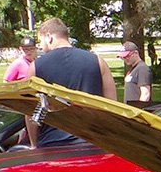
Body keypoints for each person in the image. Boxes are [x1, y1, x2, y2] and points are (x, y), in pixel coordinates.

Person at [26, 17, 117, 147]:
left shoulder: (35, 67)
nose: (40, 46)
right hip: (93, 141)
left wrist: (34, 144)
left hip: (52, 143)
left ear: (49, 37)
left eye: (40, 41)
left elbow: (29, 110)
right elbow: (112, 106)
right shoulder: (98, 62)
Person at [119, 40, 153, 105]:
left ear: (136, 53)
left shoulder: (142, 69)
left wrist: (139, 108)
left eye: (127, 56)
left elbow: (145, 94)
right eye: (123, 57)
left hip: (137, 109)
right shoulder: (133, 68)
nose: (125, 59)